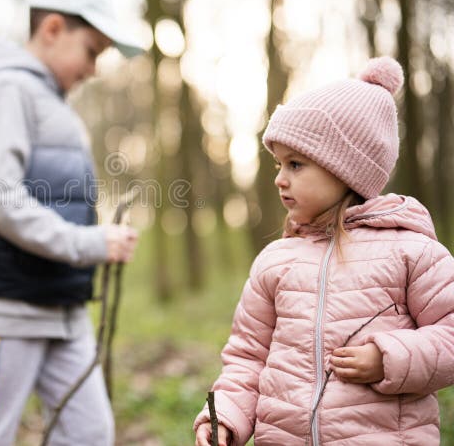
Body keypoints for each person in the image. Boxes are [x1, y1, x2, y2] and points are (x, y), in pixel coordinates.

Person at [193, 57, 454, 446]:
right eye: (279, 164)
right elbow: (248, 358)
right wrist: (227, 416)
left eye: (296, 164)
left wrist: (389, 358)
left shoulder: (412, 251)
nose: (280, 179)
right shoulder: (276, 261)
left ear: (346, 169)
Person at [0, 0, 142, 446]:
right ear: (53, 28)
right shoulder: (10, 89)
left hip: (59, 304)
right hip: (10, 301)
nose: (94, 69)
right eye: (92, 51)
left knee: (89, 433)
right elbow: (0, 198)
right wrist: (89, 244)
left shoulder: (48, 101)